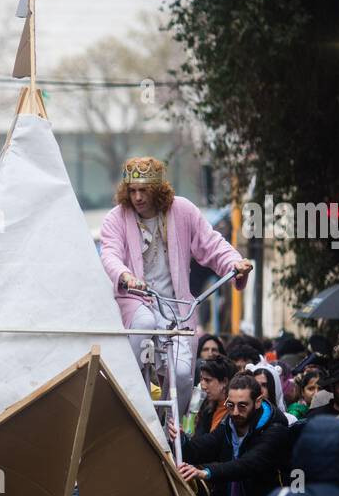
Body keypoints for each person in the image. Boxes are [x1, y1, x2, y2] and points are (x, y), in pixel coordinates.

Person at [100, 157, 252, 418]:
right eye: (132, 190)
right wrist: (126, 276)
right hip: (136, 300)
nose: (137, 197)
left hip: (177, 308)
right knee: (145, 322)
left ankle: (171, 430)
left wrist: (235, 262)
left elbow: (212, 243)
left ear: (157, 189)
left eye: (143, 190)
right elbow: (109, 255)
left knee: (182, 374)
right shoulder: (116, 218)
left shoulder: (183, 210)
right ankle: (126, 389)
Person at [192, 355, 234, 437]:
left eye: (208, 380)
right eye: (201, 379)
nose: (203, 386)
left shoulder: (233, 411)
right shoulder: (207, 409)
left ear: (224, 382)